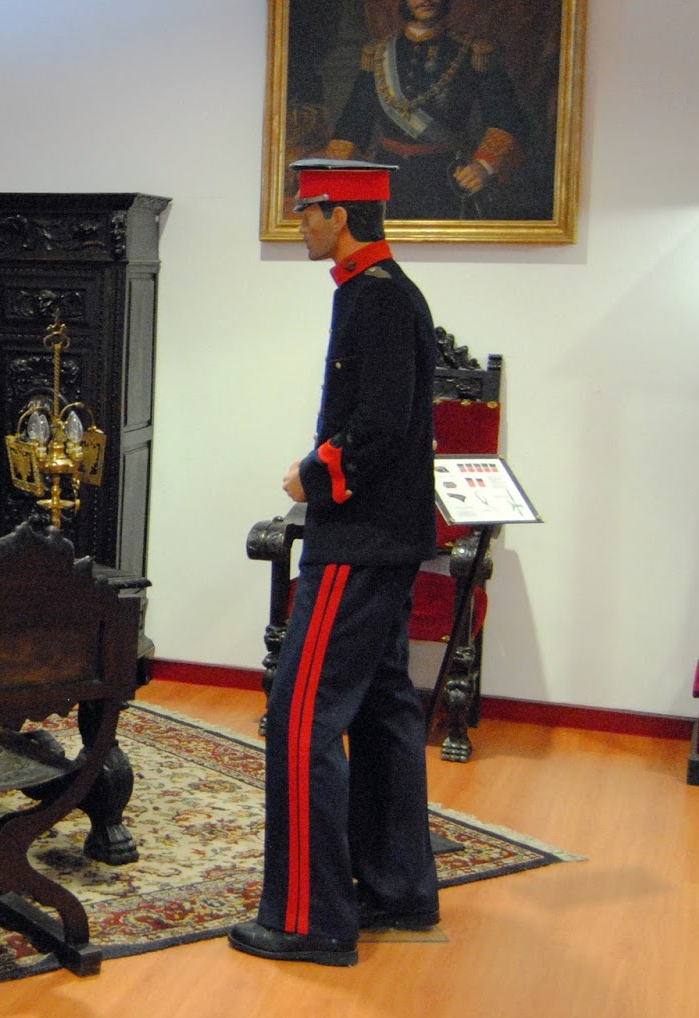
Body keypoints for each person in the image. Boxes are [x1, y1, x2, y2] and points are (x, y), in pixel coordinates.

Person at [230, 159, 441, 967]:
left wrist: (310, 476)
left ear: (342, 213)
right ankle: (398, 889)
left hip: (356, 543)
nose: (301, 223)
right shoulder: (375, 288)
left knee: (299, 717)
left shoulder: (379, 297)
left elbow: (381, 425)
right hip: (385, 538)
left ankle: (310, 917)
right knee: (385, 708)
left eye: (308, 210)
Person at [322, 0, 533, 220]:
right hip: (388, 178)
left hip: (449, 177)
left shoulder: (473, 51)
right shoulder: (378, 53)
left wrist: (483, 166)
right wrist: (332, 176)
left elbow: (507, 117)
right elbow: (353, 123)